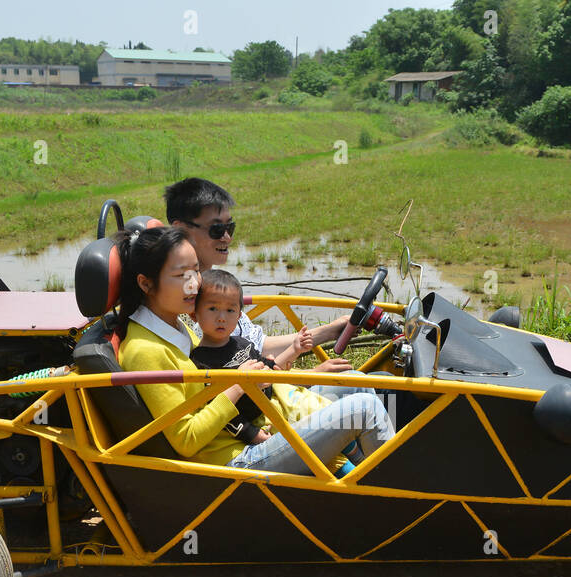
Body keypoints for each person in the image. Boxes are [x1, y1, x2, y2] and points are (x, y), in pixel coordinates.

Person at [116, 227, 393, 476]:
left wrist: (302, 373)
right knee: (363, 408)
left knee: (360, 386)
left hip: (268, 415)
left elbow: (218, 377)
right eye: (181, 276)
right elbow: (186, 440)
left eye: (196, 271)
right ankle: (397, 492)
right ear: (145, 283)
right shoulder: (146, 350)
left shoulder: (173, 324)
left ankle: (364, 477)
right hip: (238, 456)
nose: (195, 284)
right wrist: (240, 384)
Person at [163, 177, 353, 369]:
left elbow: (255, 346)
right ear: (180, 229)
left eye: (230, 227)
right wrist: (312, 375)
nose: (227, 238)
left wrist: (330, 331)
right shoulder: (182, 302)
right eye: (217, 229)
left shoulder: (215, 287)